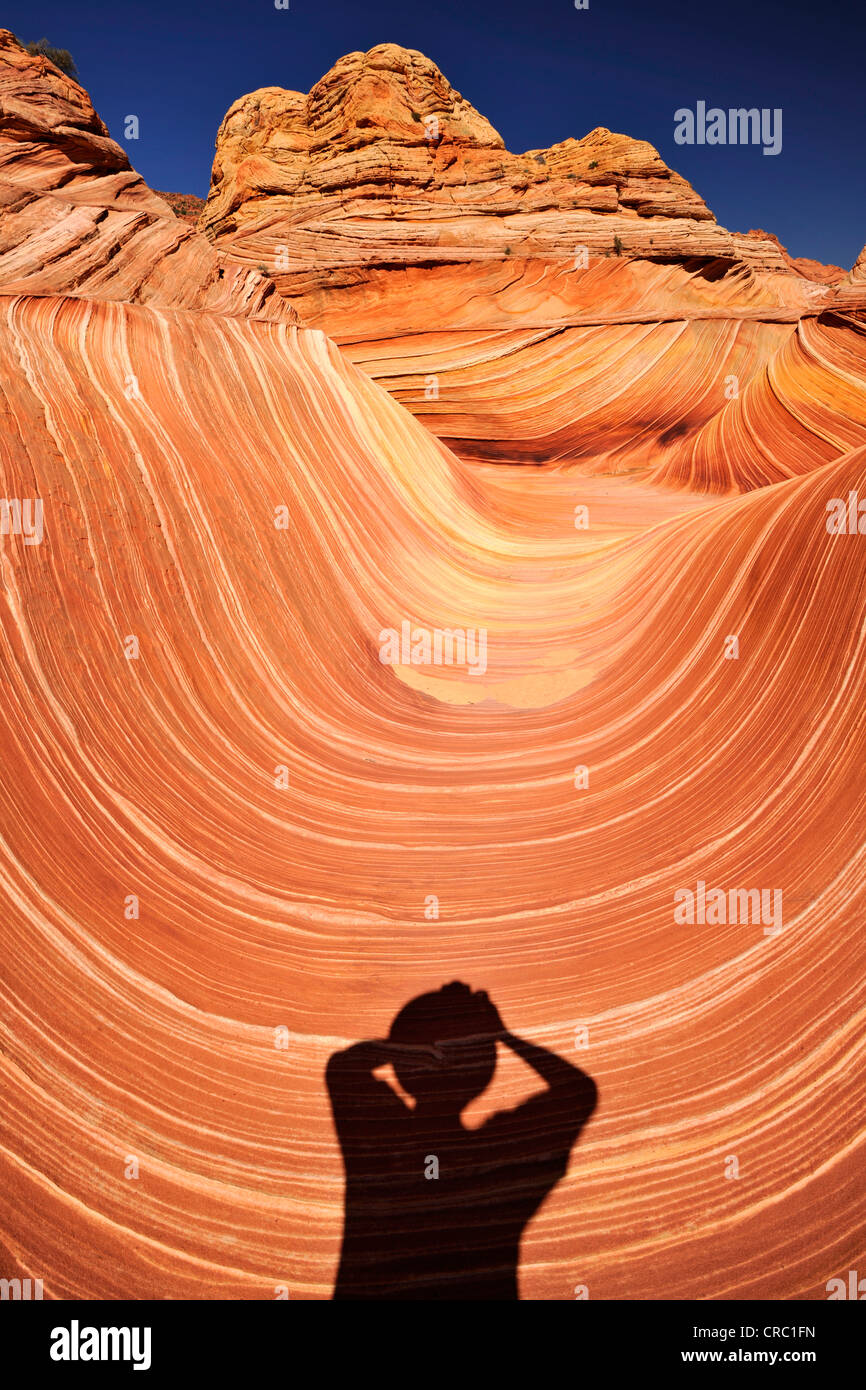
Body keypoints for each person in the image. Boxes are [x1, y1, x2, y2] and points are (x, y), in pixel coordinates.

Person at [327, 981, 597, 1299]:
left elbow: (344, 1067)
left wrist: (419, 1049)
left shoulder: (380, 1145)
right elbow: (578, 1093)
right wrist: (499, 1034)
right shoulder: (499, 1157)